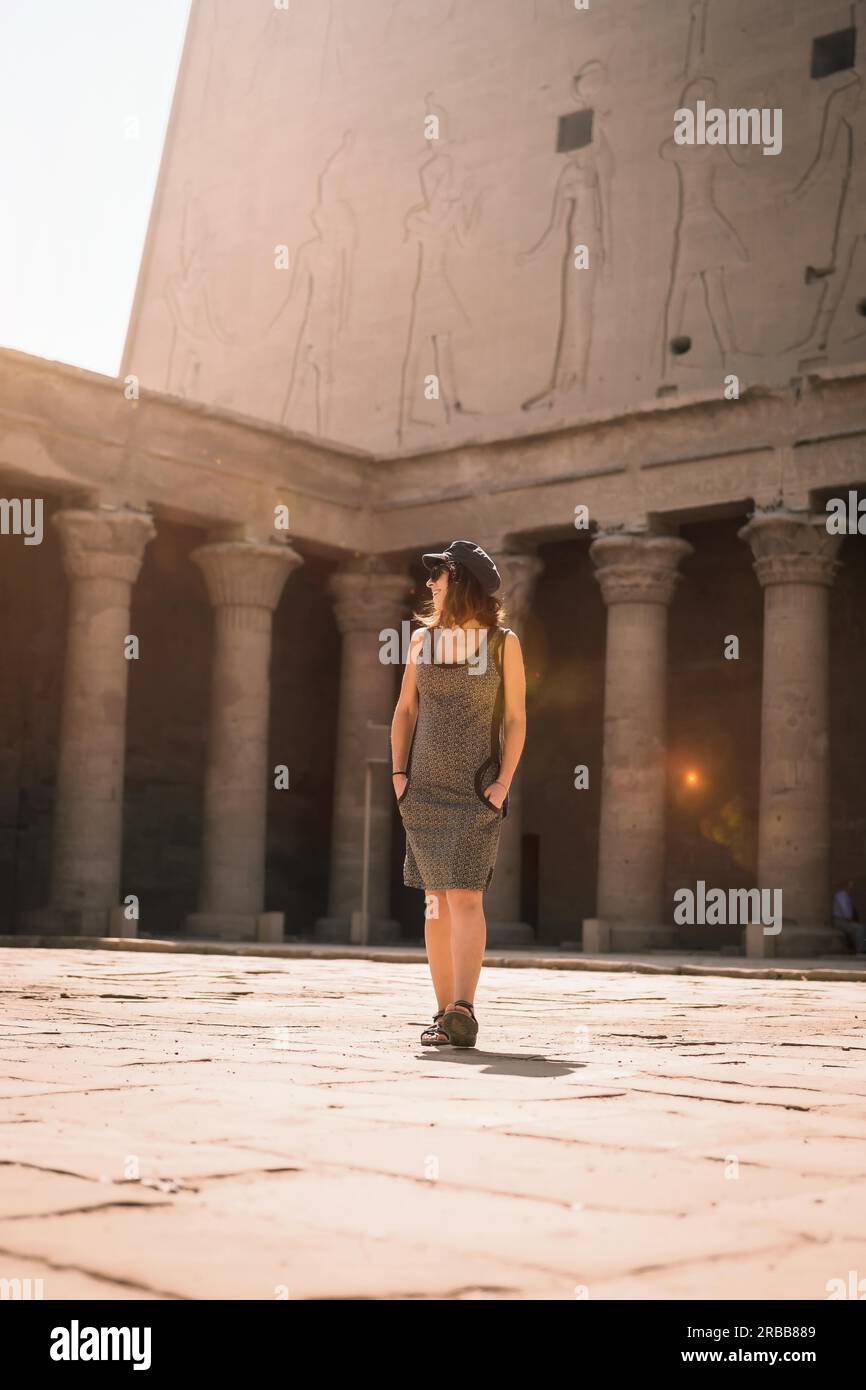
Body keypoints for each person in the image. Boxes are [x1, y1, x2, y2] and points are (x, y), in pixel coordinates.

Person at [390, 541, 526, 1047]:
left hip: (475, 791)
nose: (430, 584)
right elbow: (405, 711)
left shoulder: (501, 644)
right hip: (422, 791)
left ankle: (463, 1009)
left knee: (466, 897)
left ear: (461, 580)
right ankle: (442, 1012)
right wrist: (399, 777)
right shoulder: (422, 642)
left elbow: (515, 720)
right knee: (434, 903)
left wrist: (502, 783)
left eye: (439, 575)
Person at [831, 879, 866, 955]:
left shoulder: (846, 896)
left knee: (860, 927)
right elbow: (845, 911)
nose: (851, 888)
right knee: (860, 928)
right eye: (850, 885)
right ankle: (861, 951)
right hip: (840, 921)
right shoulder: (841, 895)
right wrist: (851, 920)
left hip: (845, 921)